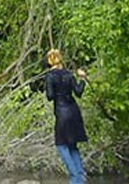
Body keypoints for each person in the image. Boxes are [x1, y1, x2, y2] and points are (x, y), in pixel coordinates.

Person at [44, 48, 88, 184]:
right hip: (74, 111)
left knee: (61, 145)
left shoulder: (50, 76)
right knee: (72, 145)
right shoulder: (69, 74)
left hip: (62, 113)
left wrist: (49, 86)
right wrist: (82, 78)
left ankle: (74, 178)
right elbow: (78, 92)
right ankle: (80, 176)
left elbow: (50, 96)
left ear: (49, 61)